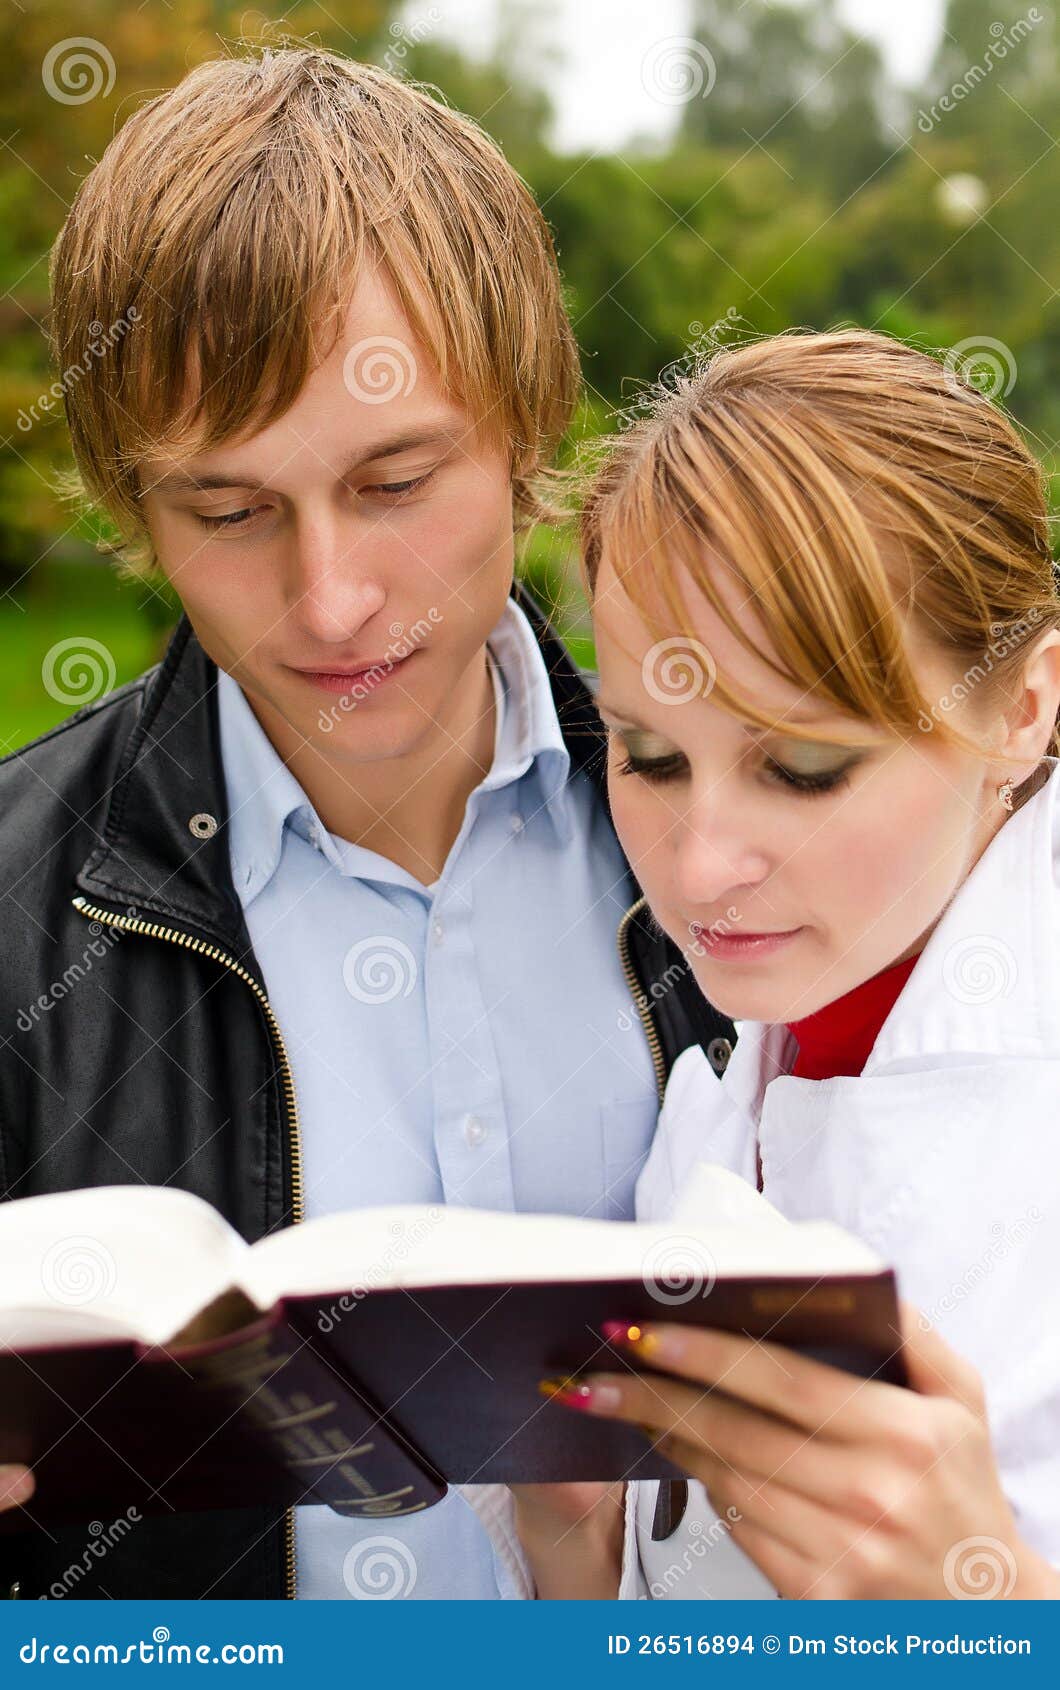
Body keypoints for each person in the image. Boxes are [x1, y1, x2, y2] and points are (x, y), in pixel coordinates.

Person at [0, 47, 733, 1600]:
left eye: (395, 480)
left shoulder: (761, 843)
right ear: (136, 510)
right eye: (228, 511)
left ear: (530, 433)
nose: (330, 602)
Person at [518, 328, 1060, 1599]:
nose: (697, 872)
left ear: (1024, 705)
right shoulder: (720, 1093)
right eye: (647, 756)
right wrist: (571, 1555)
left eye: (804, 768)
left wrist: (987, 1611)